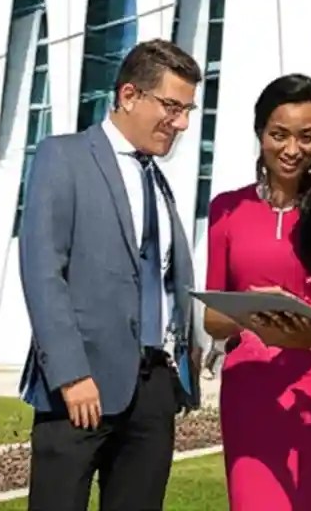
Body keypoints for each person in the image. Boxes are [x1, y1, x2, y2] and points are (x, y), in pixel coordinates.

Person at [17, 38, 206, 511]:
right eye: (171, 106)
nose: (181, 123)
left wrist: (186, 352)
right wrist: (71, 373)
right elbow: (42, 270)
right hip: (80, 389)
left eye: (187, 110)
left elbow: (165, 278)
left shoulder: (159, 180)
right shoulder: (64, 157)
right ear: (128, 96)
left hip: (154, 391)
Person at [203, 73, 311, 511]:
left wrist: (308, 321)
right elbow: (212, 317)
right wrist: (255, 313)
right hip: (250, 388)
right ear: (260, 133)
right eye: (278, 134)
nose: (291, 149)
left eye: (306, 137)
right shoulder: (226, 209)